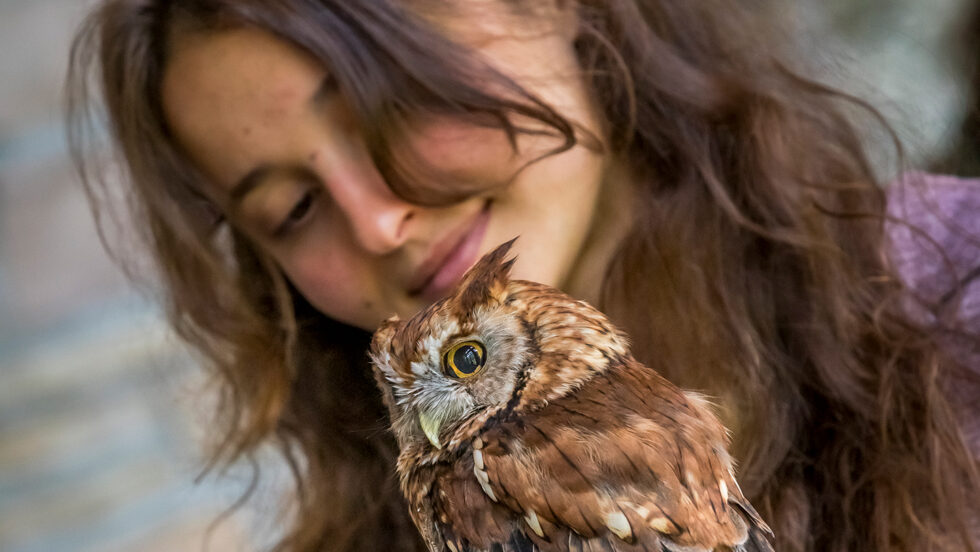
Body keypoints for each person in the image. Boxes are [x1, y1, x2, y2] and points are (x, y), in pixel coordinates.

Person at [66, 1, 980, 551]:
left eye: (393, 102)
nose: (378, 221)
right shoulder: (399, 514)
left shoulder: (951, 290)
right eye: (292, 213)